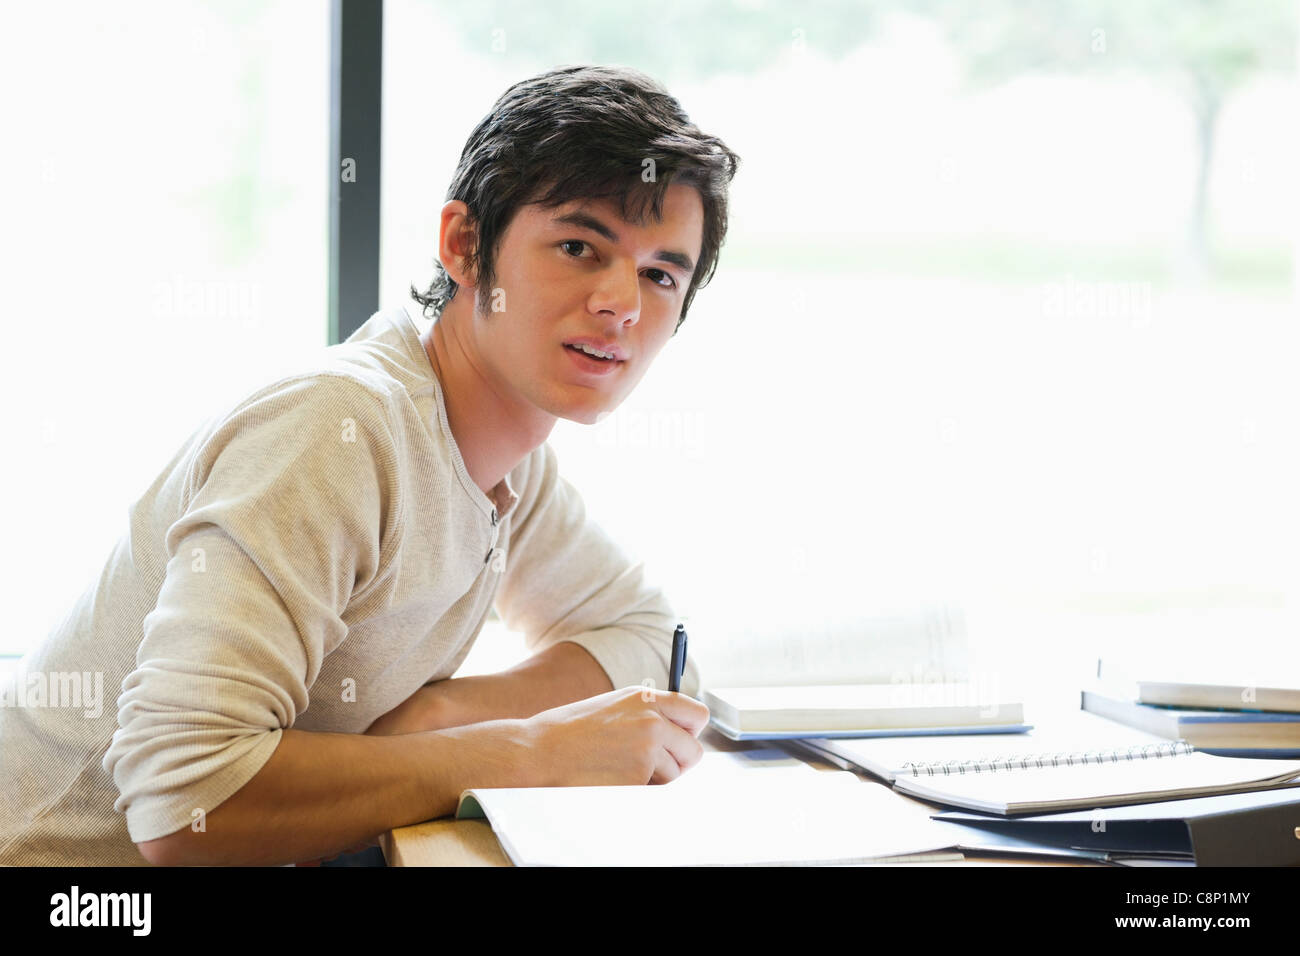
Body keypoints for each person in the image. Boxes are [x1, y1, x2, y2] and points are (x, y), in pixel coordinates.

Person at [0, 64, 740, 867]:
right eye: (578, 246)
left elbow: (657, 647)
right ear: (464, 245)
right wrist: (530, 749)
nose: (622, 302)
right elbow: (183, 805)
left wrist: (442, 716)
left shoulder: (512, 467)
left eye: (661, 274)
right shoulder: (341, 429)